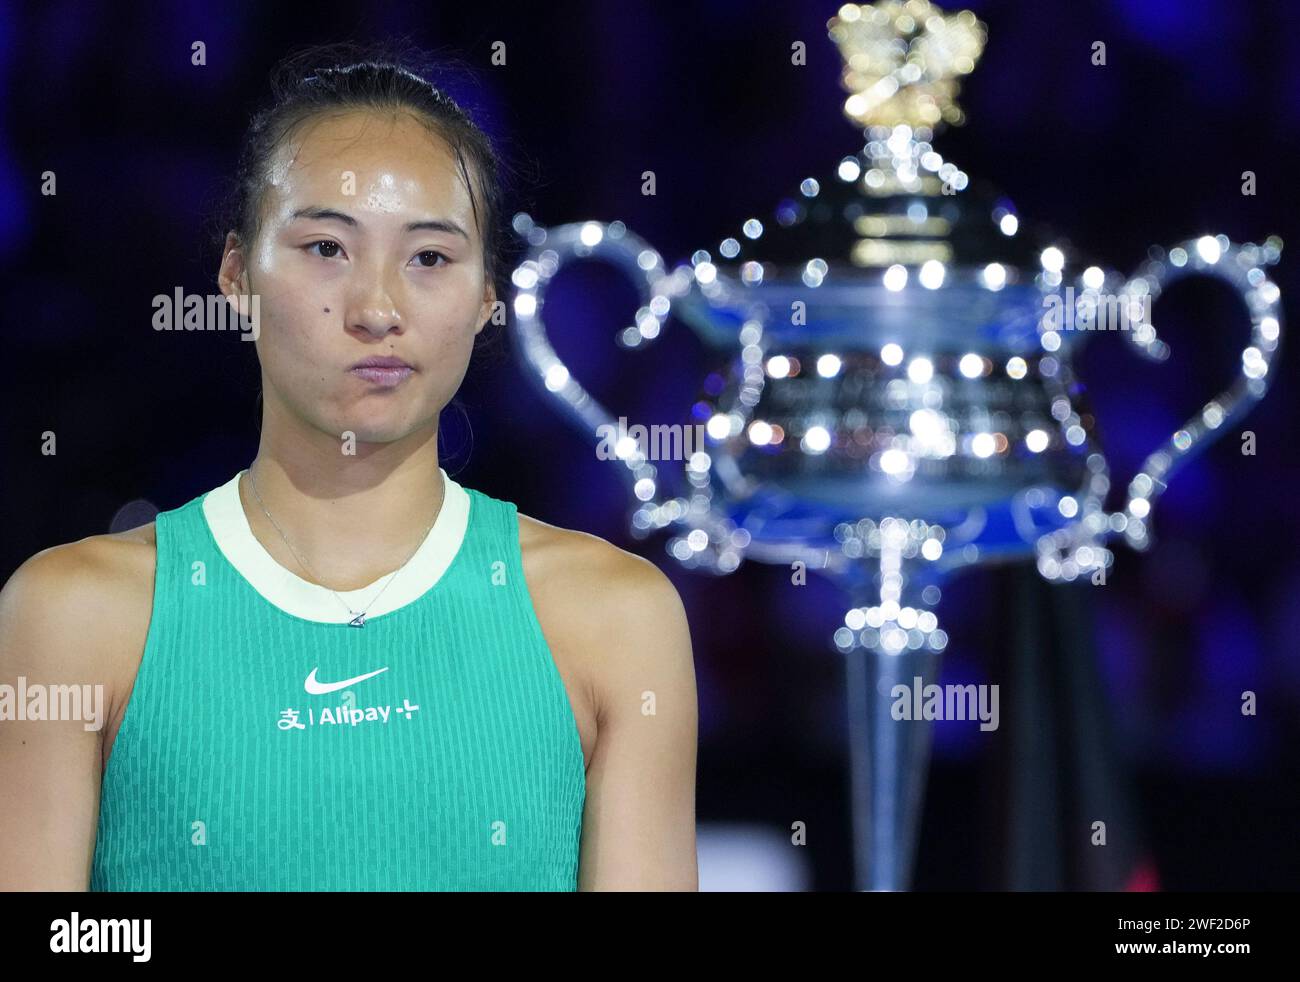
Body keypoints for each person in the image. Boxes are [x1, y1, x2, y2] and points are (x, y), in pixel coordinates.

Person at [0, 45, 698, 891]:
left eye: (430, 258)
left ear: (488, 298)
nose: (376, 309)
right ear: (235, 275)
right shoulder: (74, 614)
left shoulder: (616, 620)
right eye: (326, 248)